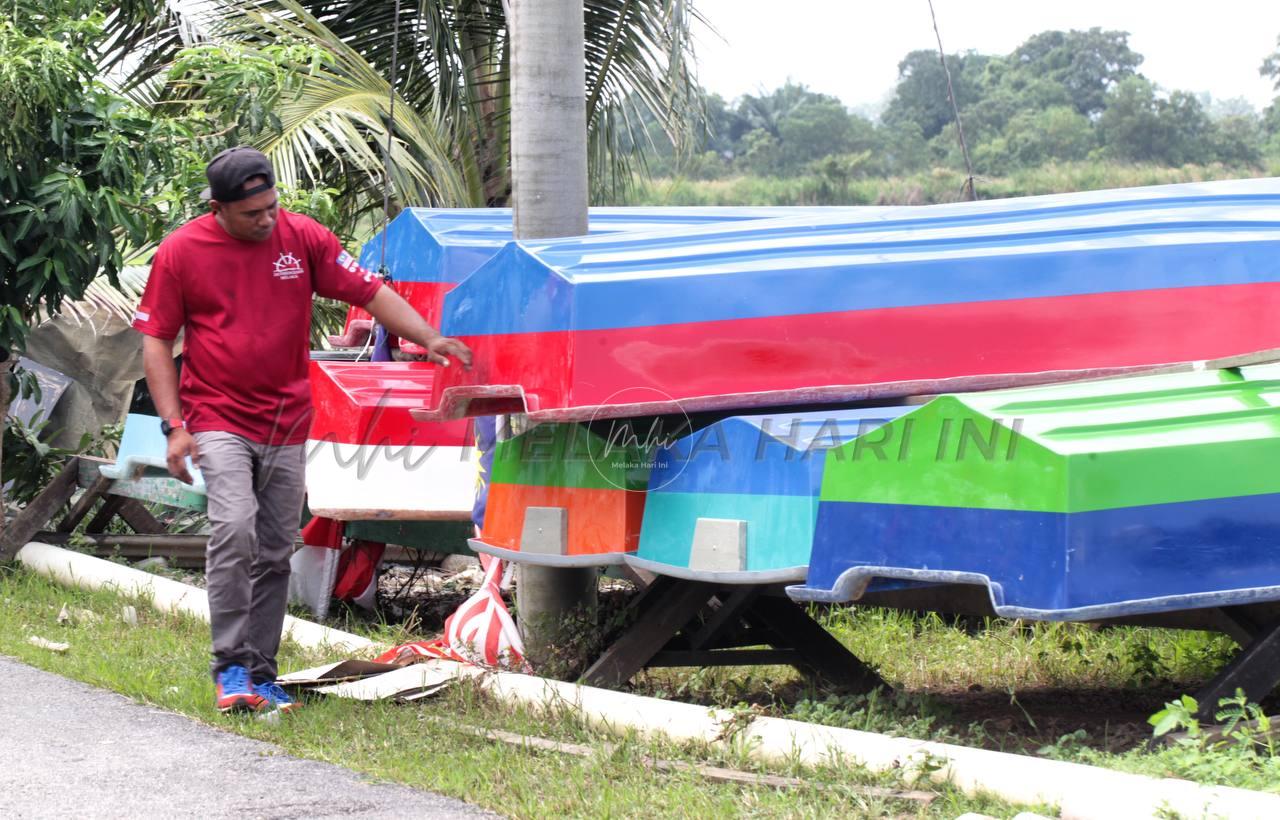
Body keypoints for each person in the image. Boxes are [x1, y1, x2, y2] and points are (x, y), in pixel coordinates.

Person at [133, 146, 471, 714]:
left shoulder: (303, 237)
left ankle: (261, 675)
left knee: (273, 551)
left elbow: (370, 292)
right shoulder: (183, 251)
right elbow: (156, 342)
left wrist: (430, 337)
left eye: (272, 206)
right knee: (234, 527)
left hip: (288, 419)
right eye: (252, 213)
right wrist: (174, 426)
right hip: (217, 416)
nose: (267, 219)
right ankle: (230, 667)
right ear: (218, 208)